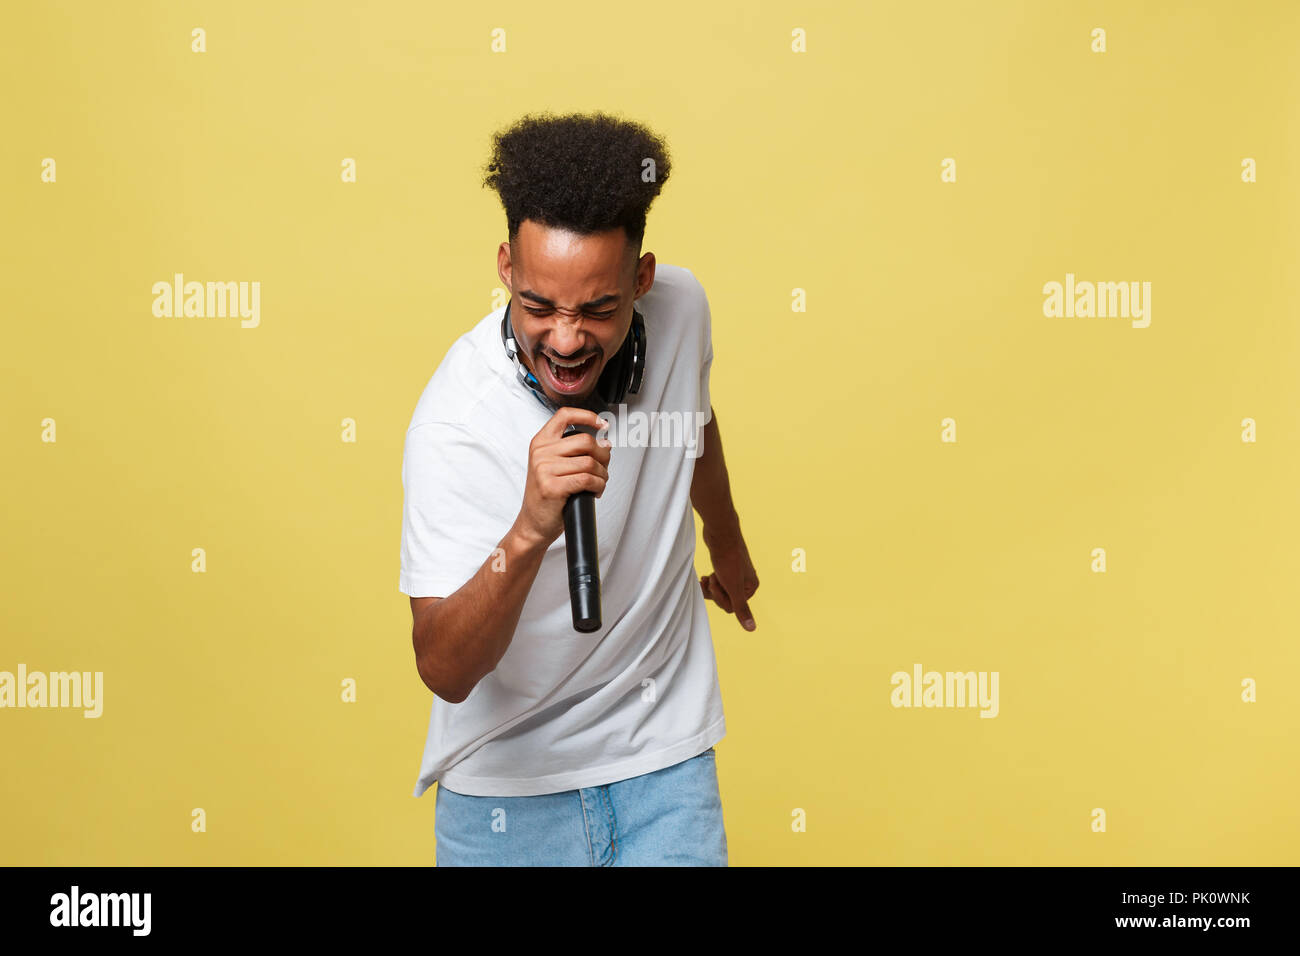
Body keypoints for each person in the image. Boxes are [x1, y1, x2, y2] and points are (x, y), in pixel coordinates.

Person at [399, 111, 759, 866]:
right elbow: (444, 668)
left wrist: (728, 547)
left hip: (666, 769)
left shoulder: (682, 311)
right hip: (508, 797)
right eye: (538, 306)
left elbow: (691, 419)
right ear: (505, 267)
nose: (565, 339)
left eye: (598, 309)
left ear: (643, 279)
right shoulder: (455, 424)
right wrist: (529, 529)